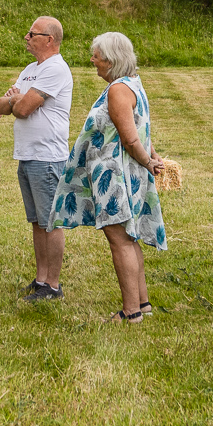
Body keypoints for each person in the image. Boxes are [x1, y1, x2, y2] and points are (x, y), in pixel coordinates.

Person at [53, 32, 168, 321]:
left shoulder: (118, 90)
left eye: (98, 56)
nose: (93, 60)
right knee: (129, 238)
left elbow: (130, 139)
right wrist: (151, 156)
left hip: (116, 176)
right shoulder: (133, 85)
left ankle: (131, 313)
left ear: (112, 60)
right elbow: (142, 129)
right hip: (128, 173)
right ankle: (142, 304)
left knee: (120, 241)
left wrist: (148, 160)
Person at [0, 16, 75, 301]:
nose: (27, 37)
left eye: (33, 34)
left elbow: (22, 109)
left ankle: (53, 285)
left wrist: (17, 100)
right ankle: (41, 279)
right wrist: (16, 100)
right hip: (28, 156)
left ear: (49, 40)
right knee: (36, 221)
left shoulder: (56, 68)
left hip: (47, 156)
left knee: (50, 221)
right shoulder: (31, 69)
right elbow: (2, 106)